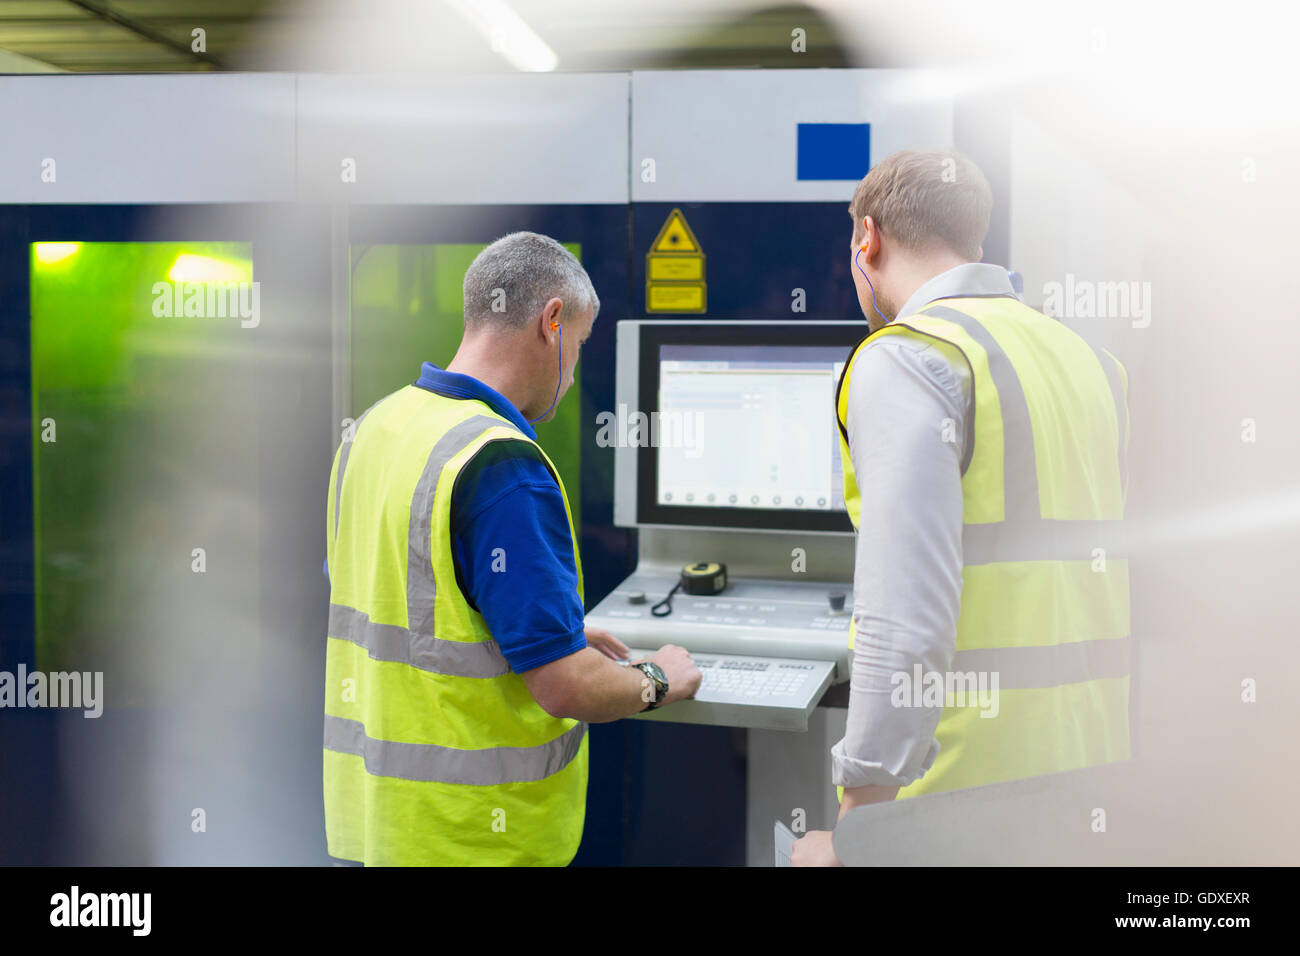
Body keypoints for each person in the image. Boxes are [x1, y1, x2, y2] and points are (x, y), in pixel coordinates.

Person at [793, 150, 1131, 866]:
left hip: (958, 796)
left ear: (868, 241)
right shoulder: (1089, 361)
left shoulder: (910, 356)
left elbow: (903, 615)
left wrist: (859, 827)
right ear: (976, 244)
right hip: (1089, 777)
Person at [322, 231, 701, 865]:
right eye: (578, 345)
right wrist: (661, 676)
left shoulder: (374, 428)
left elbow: (413, 602)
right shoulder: (501, 465)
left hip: (378, 825)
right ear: (552, 321)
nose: (574, 373)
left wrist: (548, 633)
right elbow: (564, 690)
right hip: (472, 838)